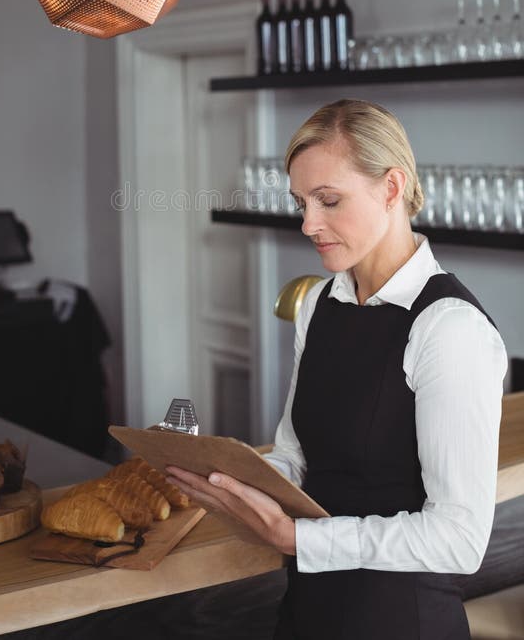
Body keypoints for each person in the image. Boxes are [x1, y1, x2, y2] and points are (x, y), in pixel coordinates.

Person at [166, 98, 508, 640]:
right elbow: (297, 457)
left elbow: (460, 539)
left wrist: (299, 539)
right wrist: (226, 482)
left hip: (401, 623)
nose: (307, 223)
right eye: (301, 202)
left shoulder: (450, 328)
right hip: (307, 612)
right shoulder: (318, 303)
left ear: (392, 188)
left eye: (328, 200)